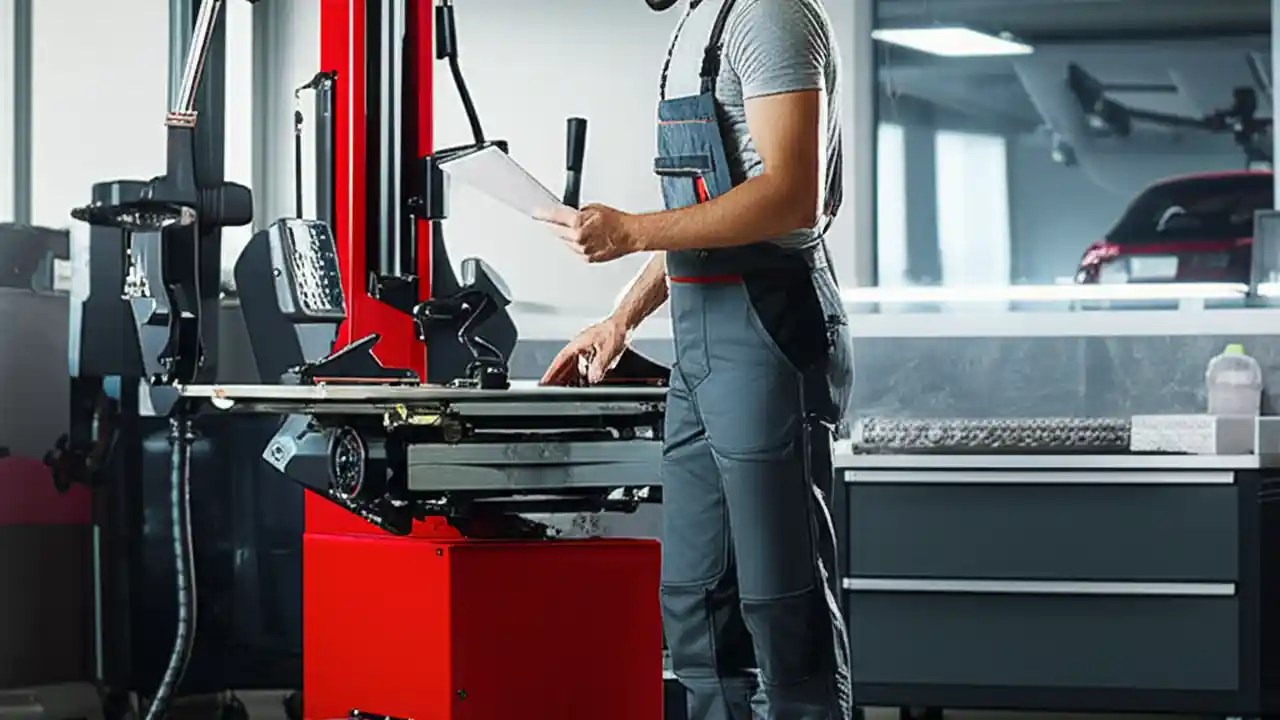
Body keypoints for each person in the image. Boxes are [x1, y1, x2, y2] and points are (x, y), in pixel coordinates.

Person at [536, 0, 852, 717]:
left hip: (769, 328)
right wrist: (621, 320)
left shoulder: (771, 15)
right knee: (695, 607)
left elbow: (791, 196)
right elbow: (708, 209)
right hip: (698, 339)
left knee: (782, 607)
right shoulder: (695, 27)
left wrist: (633, 232)